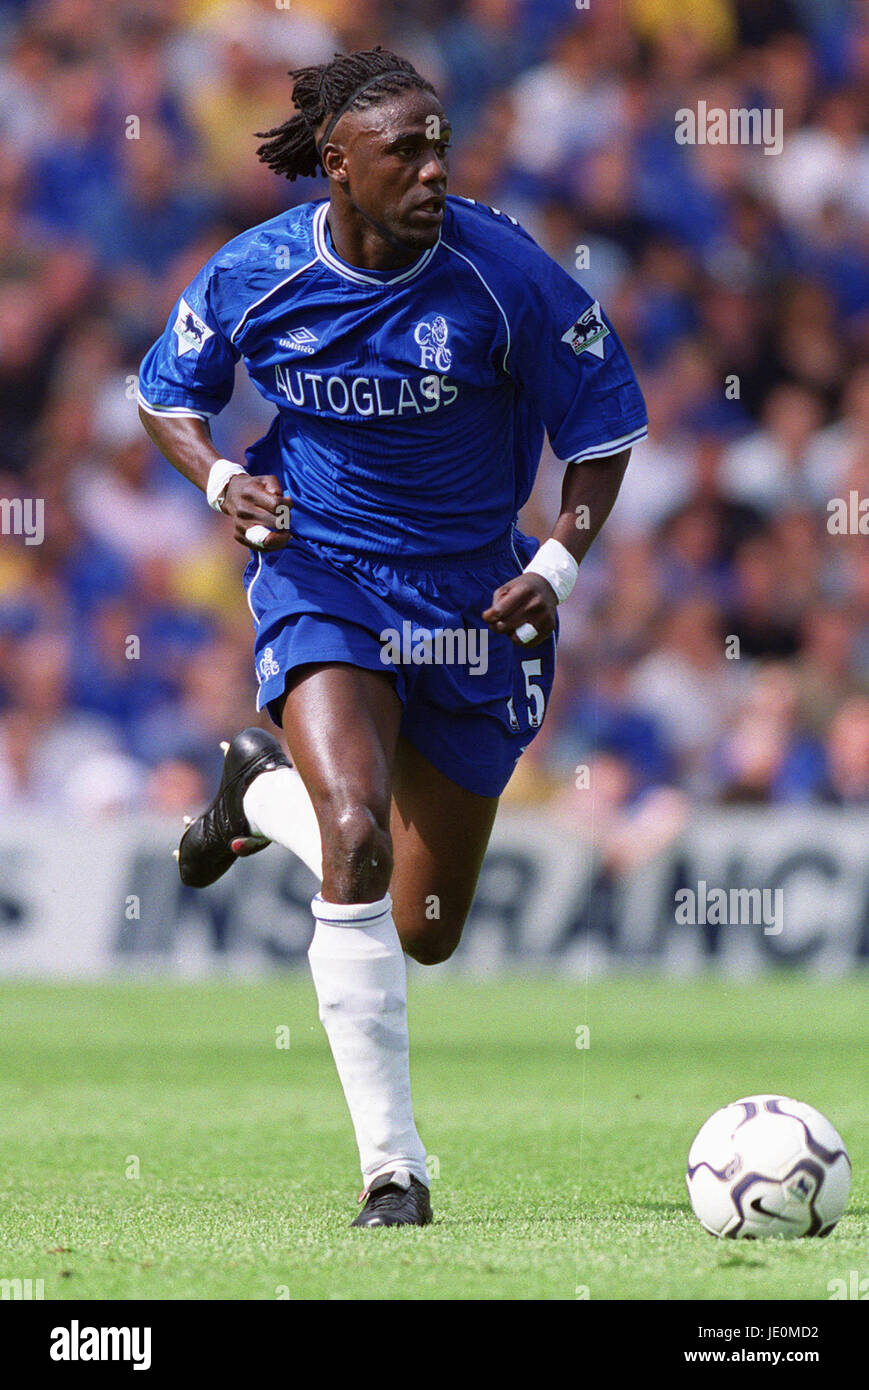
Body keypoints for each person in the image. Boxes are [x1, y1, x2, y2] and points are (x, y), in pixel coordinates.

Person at [138, 47, 647, 1227]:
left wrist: (557, 560)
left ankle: (256, 794)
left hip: (475, 606)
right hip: (323, 579)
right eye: (402, 152)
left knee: (420, 927)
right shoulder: (256, 273)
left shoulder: (505, 274)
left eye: (439, 148)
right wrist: (220, 480)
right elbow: (166, 394)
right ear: (335, 166)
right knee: (356, 838)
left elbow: (605, 429)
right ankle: (393, 1172)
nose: (431, 171)